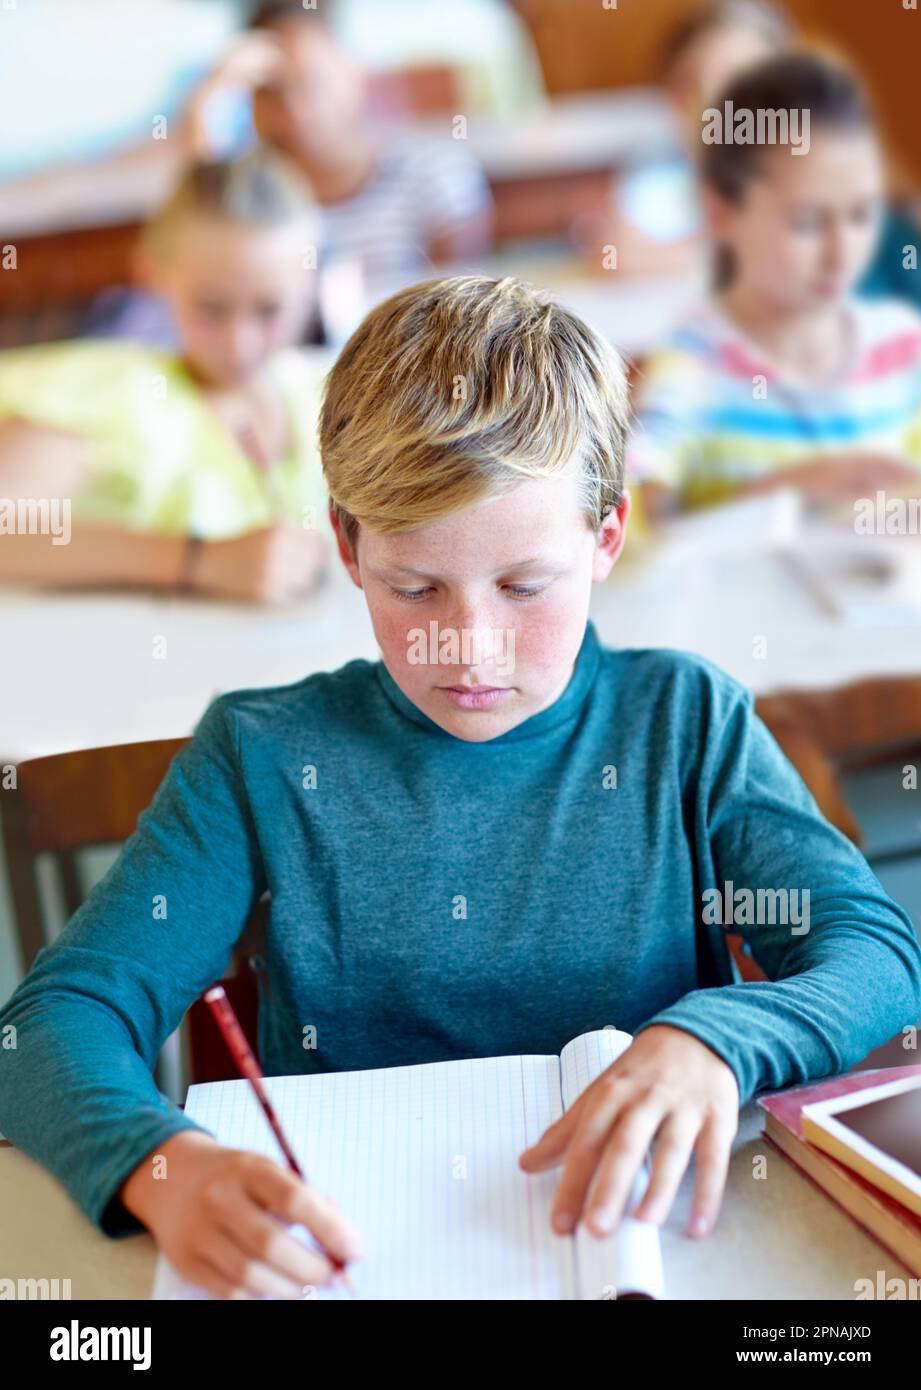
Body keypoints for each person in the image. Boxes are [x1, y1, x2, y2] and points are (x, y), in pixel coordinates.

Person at [1, 275, 917, 1299]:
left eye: (524, 586)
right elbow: (48, 1021)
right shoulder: (259, 753)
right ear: (348, 545)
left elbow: (877, 951)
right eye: (415, 587)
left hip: (657, 1245)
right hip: (349, 1259)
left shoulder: (685, 721)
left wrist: (719, 1039)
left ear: (606, 537)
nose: (469, 646)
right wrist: (156, 1162)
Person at [0, 149, 332, 602]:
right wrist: (201, 561)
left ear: (311, 281)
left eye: (269, 309)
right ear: (153, 274)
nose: (240, 342)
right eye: (212, 308)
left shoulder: (326, 394)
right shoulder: (114, 392)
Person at [83, 1, 493, 348]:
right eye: (269, 92)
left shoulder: (432, 173)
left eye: (311, 84)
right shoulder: (256, 188)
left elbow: (459, 310)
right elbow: (202, 195)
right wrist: (218, 87)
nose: (295, 110)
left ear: (353, 73)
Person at [626, 52, 921, 522]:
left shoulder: (902, 346)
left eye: (862, 214)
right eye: (806, 222)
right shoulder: (693, 364)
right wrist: (784, 494)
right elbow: (632, 527)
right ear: (721, 213)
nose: (841, 253)